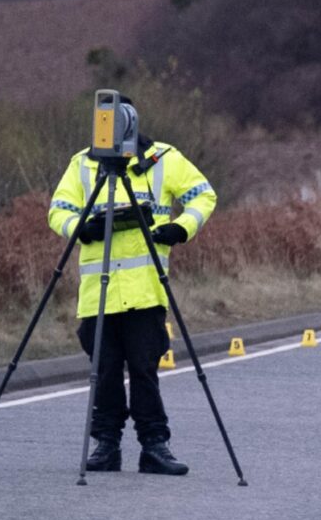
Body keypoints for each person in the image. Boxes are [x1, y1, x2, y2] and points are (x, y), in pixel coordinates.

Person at [46, 97, 218, 476]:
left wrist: (181, 228)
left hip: (144, 291)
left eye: (112, 121)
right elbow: (58, 209)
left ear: (129, 121)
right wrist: (80, 228)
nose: (105, 129)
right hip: (98, 295)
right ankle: (105, 446)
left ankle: (155, 446)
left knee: (144, 370)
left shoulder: (163, 159)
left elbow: (203, 195)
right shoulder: (83, 164)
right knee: (104, 371)